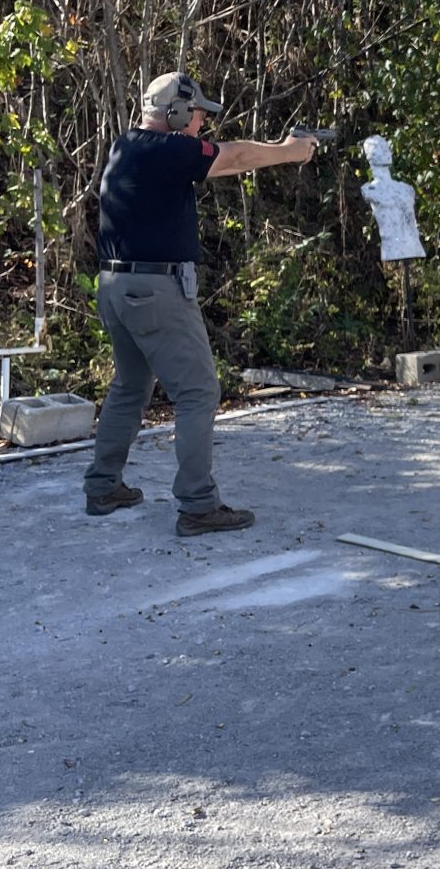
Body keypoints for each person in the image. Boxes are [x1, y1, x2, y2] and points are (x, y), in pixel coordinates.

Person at [82, 71, 318, 536]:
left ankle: (103, 487)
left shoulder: (128, 146)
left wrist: (281, 148)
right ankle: (198, 505)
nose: (201, 124)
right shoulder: (167, 150)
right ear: (175, 112)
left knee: (130, 387)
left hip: (116, 286)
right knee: (198, 392)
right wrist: (290, 151)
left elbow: (223, 165)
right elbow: (236, 155)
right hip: (156, 290)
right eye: (196, 115)